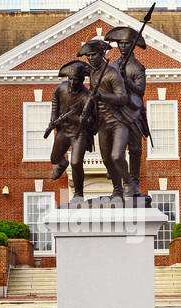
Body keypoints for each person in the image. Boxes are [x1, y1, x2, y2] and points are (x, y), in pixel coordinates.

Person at [76, 38, 138, 202]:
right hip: (102, 123)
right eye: (88, 55)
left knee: (117, 155)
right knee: (106, 159)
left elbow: (122, 97)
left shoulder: (111, 73)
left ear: (102, 54)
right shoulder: (93, 74)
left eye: (94, 55)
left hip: (118, 121)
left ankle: (129, 184)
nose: (91, 58)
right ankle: (117, 190)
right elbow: (90, 97)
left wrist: (101, 96)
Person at [104, 24, 150, 198]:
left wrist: (125, 80)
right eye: (120, 43)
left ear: (132, 45)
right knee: (115, 147)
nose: (123, 46)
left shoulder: (137, 67)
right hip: (116, 111)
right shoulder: (114, 64)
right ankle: (119, 180)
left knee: (135, 149)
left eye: (126, 43)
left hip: (133, 111)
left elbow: (140, 90)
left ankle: (134, 182)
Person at [44, 60, 94, 202]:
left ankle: (78, 194)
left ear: (82, 80)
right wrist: (53, 119)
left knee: (76, 162)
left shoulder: (86, 96)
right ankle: (62, 164)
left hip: (79, 133)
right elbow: (55, 100)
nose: (72, 82)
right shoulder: (61, 88)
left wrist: (75, 118)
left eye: (76, 80)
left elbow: (90, 121)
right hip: (64, 131)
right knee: (54, 158)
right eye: (70, 79)